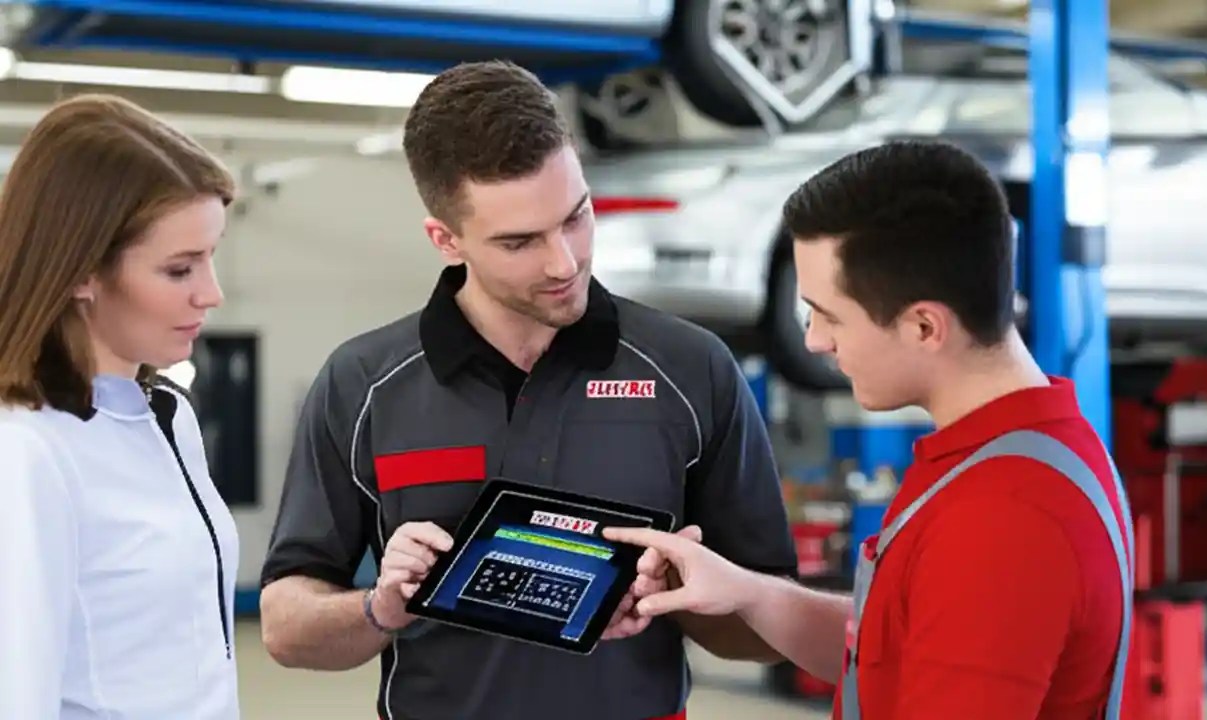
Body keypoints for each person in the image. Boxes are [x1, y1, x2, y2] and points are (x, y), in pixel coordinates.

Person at [257, 59, 799, 720]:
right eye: (520, 242)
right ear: (445, 240)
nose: (563, 262)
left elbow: (774, 626)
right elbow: (286, 628)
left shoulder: (692, 371)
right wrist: (380, 606)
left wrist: (688, 595)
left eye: (576, 217)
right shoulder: (364, 384)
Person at [606, 140, 1136, 720]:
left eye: (830, 315)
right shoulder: (1010, 453)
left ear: (924, 326)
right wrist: (748, 593)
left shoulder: (1002, 519)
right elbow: (899, 652)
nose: (814, 341)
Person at [0, 94, 240, 719]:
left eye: (210, 259)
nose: (211, 294)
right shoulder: (26, 450)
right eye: (179, 269)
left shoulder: (168, 417)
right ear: (81, 272)